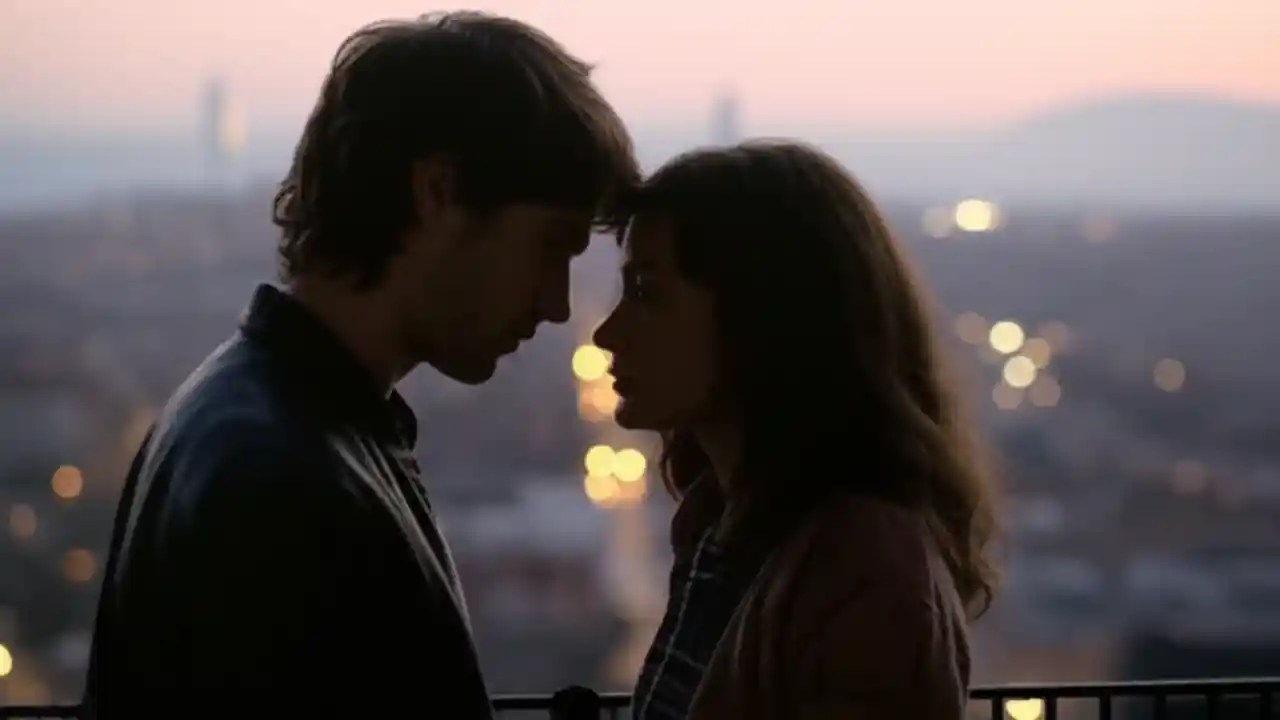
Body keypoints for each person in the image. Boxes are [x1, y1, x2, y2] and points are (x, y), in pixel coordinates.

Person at [83, 11, 636, 718]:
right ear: (439, 192)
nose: (558, 303)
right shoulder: (279, 478)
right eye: (549, 246)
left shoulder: (253, 420)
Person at [593, 141, 999, 720]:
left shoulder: (865, 569)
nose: (608, 333)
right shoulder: (730, 529)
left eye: (646, 293)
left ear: (761, 317)